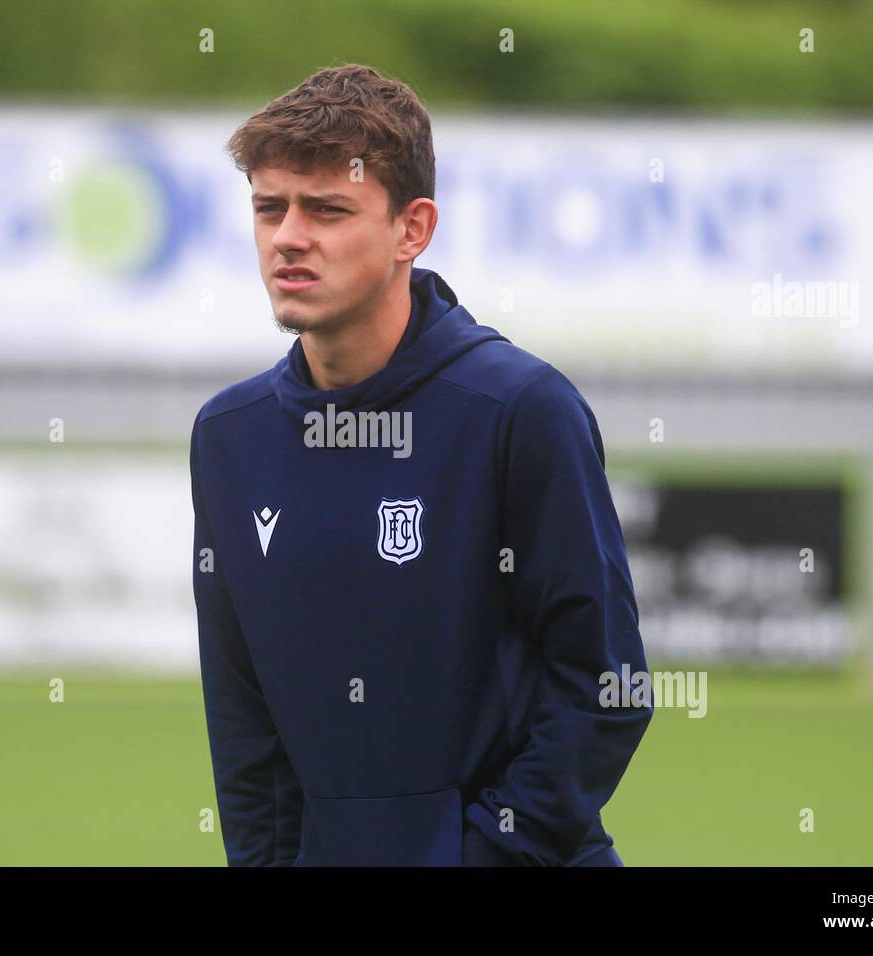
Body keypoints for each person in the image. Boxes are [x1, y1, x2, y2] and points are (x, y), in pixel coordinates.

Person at [190, 63, 652, 866]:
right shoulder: (230, 436)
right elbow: (244, 722)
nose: (289, 236)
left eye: (328, 209)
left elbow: (605, 688)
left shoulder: (520, 411)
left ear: (413, 228)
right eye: (270, 208)